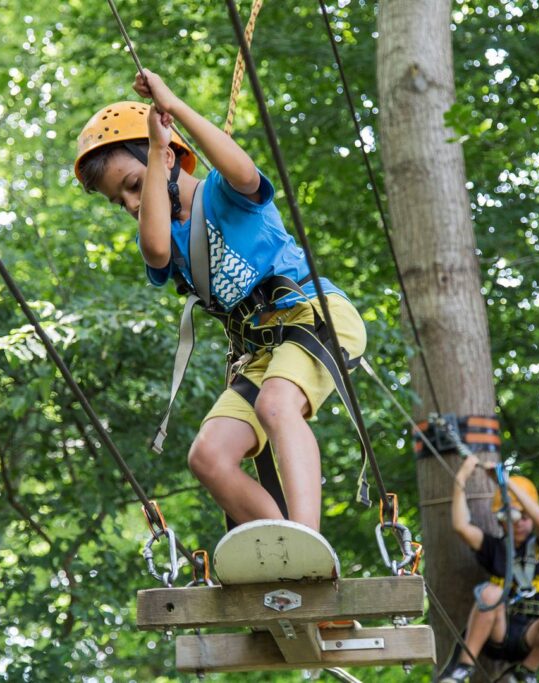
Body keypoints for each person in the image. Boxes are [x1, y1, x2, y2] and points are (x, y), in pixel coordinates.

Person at [72, 69, 366, 532]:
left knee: (276, 406)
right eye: (119, 199)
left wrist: (174, 110)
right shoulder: (164, 235)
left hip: (315, 314)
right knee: (208, 456)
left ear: (169, 157)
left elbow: (245, 171)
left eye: (132, 184)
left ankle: (308, 534)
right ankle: (284, 546)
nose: (130, 203)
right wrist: (150, 153)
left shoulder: (225, 194)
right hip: (263, 353)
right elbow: (154, 249)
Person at [438, 457, 539, 683]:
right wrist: (461, 477)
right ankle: (463, 668)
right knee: (490, 592)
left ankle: (525, 671)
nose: (517, 522)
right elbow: (461, 527)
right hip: (499, 628)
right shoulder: (495, 548)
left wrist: (505, 482)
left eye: (522, 515)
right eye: (508, 515)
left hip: (531, 633)